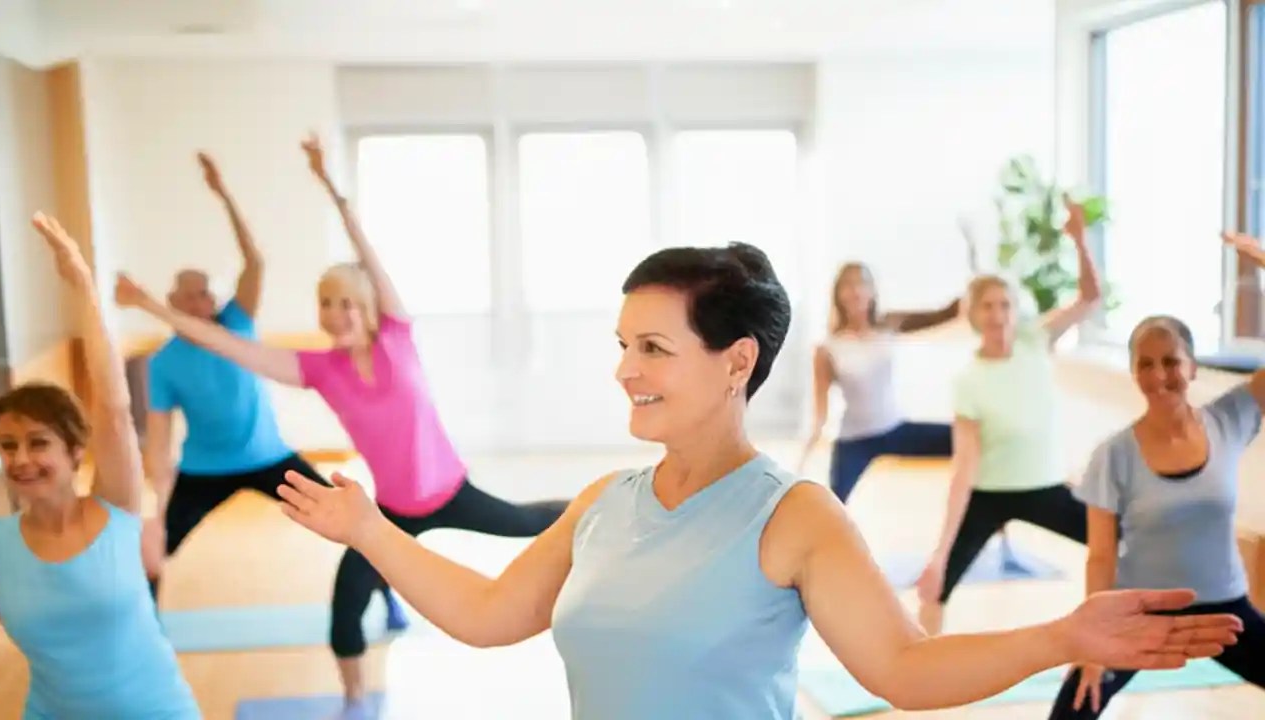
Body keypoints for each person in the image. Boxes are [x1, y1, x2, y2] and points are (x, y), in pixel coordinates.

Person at [275, 240, 1243, 720]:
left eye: (653, 347)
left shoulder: (793, 516)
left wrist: (1060, 634)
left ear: (735, 361)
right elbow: (489, 615)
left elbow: (900, 671)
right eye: (622, 345)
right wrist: (370, 528)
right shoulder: (603, 505)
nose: (625, 369)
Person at [114, 134, 568, 708]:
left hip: (452, 492)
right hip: (391, 513)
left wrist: (330, 184)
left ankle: (601, 508)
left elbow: (366, 253)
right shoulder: (317, 369)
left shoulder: (397, 335)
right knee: (344, 608)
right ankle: (355, 702)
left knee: (532, 523)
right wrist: (150, 307)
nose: (336, 315)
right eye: (326, 305)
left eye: (347, 303)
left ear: (369, 306)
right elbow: (226, 345)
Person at [141, 152, 407, 629]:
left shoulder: (236, 321)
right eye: (195, 294)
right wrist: (154, 503)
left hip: (270, 458)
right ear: (173, 304)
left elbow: (255, 260)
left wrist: (224, 195)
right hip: (204, 470)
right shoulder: (163, 364)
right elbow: (158, 439)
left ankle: (388, 601)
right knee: (154, 549)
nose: (208, 301)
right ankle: (147, 627)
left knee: (354, 526)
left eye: (209, 292)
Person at [0, 213, 200, 719]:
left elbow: (113, 405)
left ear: (75, 450)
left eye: (38, 443)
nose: (20, 459)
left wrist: (82, 284)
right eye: (8, 445)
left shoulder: (114, 510)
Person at [1042, 315, 1265, 714]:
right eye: (1146, 363)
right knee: (1072, 707)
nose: (1160, 374)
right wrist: (1093, 642)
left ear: (1193, 366)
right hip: (1138, 610)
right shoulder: (1113, 455)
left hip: (1224, 606)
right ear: (1133, 372)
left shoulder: (1228, 419)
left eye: (1171, 361)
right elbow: (1101, 556)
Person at [915, 195, 1102, 635]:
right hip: (987, 495)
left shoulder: (1036, 343)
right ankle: (923, 658)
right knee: (935, 588)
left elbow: (1091, 297)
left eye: (1005, 305)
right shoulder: (968, 380)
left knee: (1118, 542)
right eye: (988, 306)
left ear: (1015, 311)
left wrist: (1079, 239)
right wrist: (938, 555)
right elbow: (964, 468)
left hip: (1047, 488)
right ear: (974, 315)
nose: (998, 315)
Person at [800, 220, 979, 503]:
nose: (856, 292)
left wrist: (972, 255)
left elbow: (951, 312)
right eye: (848, 286)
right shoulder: (827, 348)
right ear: (838, 295)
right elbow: (820, 414)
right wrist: (803, 459)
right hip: (854, 439)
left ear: (872, 292)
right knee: (833, 506)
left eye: (862, 284)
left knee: (970, 441)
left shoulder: (890, 325)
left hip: (895, 429)